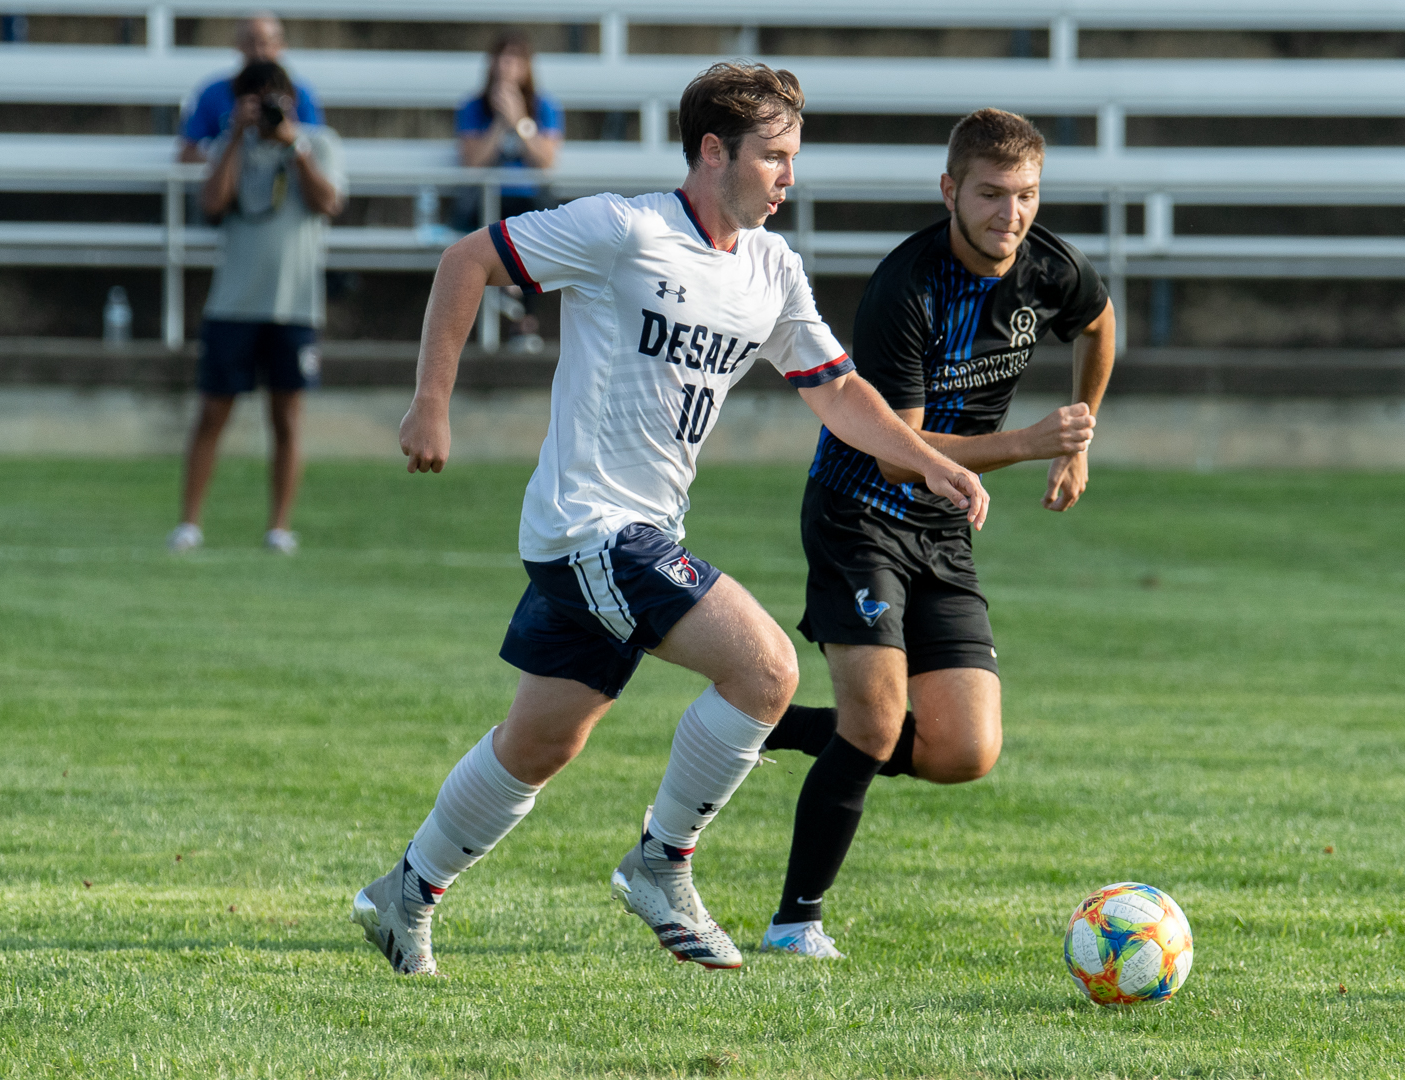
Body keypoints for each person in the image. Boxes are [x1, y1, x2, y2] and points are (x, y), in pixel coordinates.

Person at [350, 62, 990, 977]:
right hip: (591, 527)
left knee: (542, 741)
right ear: (712, 151)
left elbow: (838, 389)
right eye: (773, 156)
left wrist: (928, 459)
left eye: (794, 157)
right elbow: (468, 260)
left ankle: (404, 894)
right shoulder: (626, 230)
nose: (789, 176)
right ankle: (661, 863)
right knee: (767, 669)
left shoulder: (771, 268)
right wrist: (430, 403)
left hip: (641, 532)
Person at [756, 108, 1117, 959]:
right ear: (950, 189)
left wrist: (1078, 439)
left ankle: (764, 727)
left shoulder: (1048, 267)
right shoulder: (906, 289)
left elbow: (1098, 323)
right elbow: (898, 456)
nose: (1010, 214)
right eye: (990, 194)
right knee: (878, 724)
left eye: (1026, 195)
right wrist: (1030, 444)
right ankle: (794, 923)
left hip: (945, 529)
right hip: (859, 515)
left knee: (963, 750)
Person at [167, 61, 346, 556]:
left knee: (287, 418)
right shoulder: (232, 147)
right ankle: (189, 524)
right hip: (234, 304)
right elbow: (211, 204)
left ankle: (279, 528)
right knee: (211, 413)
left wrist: (293, 146)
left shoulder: (319, 143)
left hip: (295, 306)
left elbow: (328, 202)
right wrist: (233, 137)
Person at [452, 30, 565, 348]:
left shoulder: (544, 107)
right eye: (502, 58)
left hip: (529, 198)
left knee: (530, 228)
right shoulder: (473, 107)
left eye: (516, 59)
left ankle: (518, 313)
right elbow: (472, 162)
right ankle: (520, 319)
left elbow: (545, 160)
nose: (507, 66)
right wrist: (500, 124)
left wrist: (519, 121)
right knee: (502, 226)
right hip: (486, 198)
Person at [176, 13, 322, 164]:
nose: (258, 51)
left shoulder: (299, 94)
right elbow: (187, 154)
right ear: (238, 45)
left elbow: (318, 152)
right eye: (250, 42)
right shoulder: (213, 93)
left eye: (264, 43)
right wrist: (234, 135)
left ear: (280, 45)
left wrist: (290, 135)